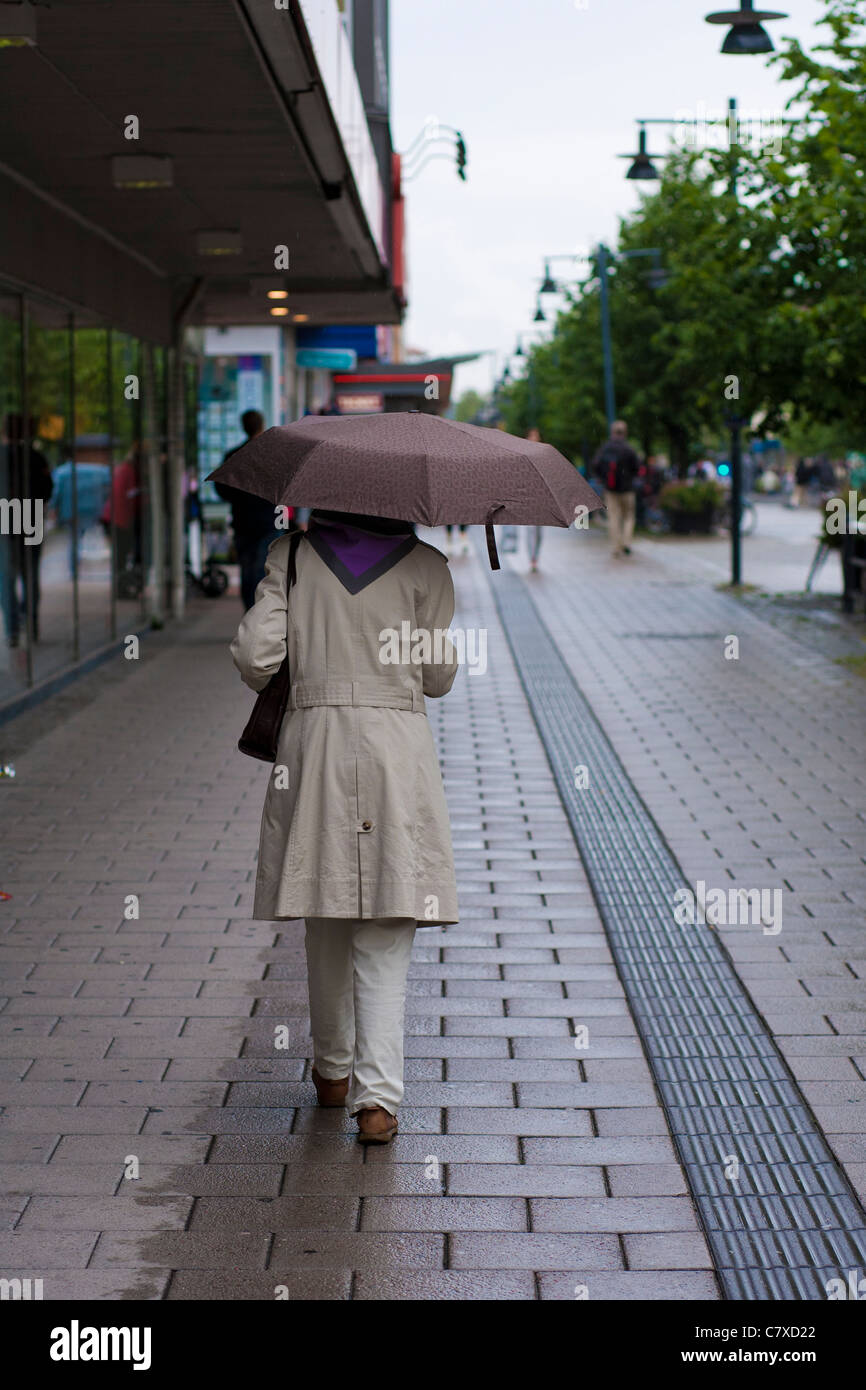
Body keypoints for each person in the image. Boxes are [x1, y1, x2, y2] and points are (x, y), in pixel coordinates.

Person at [230, 509, 459, 1144]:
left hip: (314, 745)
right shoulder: (427, 566)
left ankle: (331, 1073)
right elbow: (438, 678)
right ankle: (378, 1101)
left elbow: (256, 654)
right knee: (386, 921)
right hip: (396, 748)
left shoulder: (293, 555)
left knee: (323, 901)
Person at [214, 410, 286, 609]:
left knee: (247, 571)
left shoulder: (234, 456)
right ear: (262, 426)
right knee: (266, 572)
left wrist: (240, 499)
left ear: (243, 427)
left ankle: (250, 613)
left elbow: (222, 489)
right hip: (269, 522)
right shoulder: (275, 456)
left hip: (243, 522)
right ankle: (262, 615)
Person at [592, 420, 641, 557]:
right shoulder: (629, 449)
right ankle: (626, 542)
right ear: (625, 432)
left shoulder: (605, 448)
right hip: (628, 489)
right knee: (629, 517)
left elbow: (595, 465)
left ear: (612, 432)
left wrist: (603, 479)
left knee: (613, 518)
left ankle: (616, 547)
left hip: (610, 489)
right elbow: (637, 468)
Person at [525, 427, 544, 572]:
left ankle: (535, 555)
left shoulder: (543, 455)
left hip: (541, 498)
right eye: (531, 436)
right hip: (528, 497)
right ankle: (532, 558)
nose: (533, 438)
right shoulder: (523, 455)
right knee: (531, 529)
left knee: (539, 532)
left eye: (535, 436)